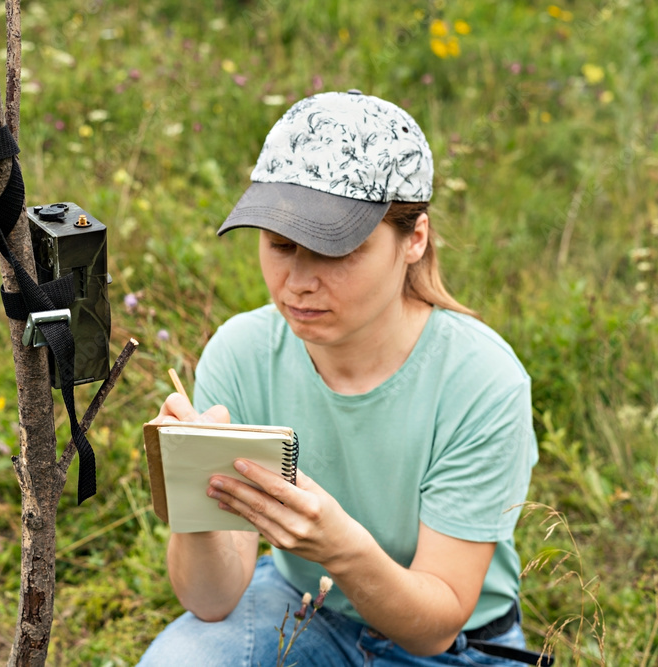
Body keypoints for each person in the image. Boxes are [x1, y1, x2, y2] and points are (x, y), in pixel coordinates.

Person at [138, 91, 547, 667]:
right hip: (304, 610)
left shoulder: (481, 381)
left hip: (457, 648)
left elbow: (434, 625)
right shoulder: (242, 352)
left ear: (415, 239)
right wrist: (191, 489)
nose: (298, 282)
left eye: (336, 251)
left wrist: (341, 547)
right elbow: (212, 601)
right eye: (280, 245)